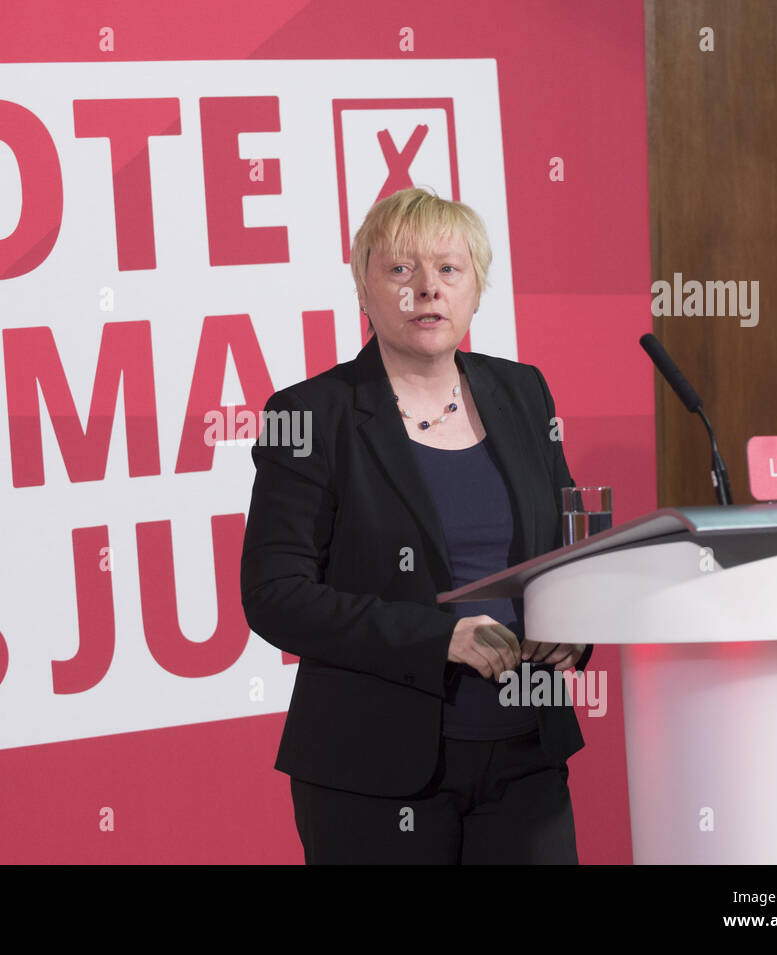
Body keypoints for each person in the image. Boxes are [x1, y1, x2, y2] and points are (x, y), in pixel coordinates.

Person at [240, 187, 595, 864]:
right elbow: (275, 593)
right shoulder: (311, 415)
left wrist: (576, 616)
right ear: (364, 292)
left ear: (476, 289)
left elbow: (569, 537)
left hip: (527, 754)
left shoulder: (525, 391)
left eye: (449, 269)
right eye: (400, 270)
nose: (426, 289)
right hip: (373, 773)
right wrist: (442, 637)